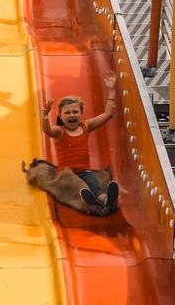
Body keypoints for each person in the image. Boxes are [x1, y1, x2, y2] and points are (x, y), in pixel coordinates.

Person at [40, 74, 121, 212]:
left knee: (93, 183)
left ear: (81, 113)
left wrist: (112, 90)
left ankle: (105, 200)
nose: (72, 115)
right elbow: (47, 131)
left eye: (75, 112)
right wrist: (45, 116)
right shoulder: (60, 131)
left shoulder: (85, 127)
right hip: (66, 174)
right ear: (60, 115)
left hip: (84, 172)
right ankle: (87, 200)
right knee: (77, 185)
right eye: (67, 113)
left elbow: (107, 114)